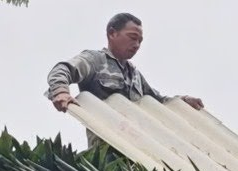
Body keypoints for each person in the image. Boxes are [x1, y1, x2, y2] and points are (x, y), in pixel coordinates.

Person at [46, 13, 204, 143]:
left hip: (138, 150)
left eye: (140, 41)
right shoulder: (95, 60)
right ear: (112, 33)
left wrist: (182, 101)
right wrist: (61, 92)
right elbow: (62, 69)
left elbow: (158, 101)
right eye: (132, 37)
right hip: (106, 150)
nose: (137, 45)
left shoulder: (135, 75)